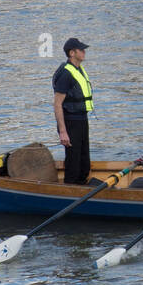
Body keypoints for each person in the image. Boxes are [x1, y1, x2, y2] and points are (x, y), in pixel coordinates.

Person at [51, 37, 93, 185]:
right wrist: (63, 131)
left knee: (84, 162)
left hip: (82, 120)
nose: (84, 52)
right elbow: (57, 104)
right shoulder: (66, 74)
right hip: (71, 122)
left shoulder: (79, 70)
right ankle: (70, 188)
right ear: (72, 53)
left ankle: (81, 187)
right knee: (73, 163)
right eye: (81, 50)